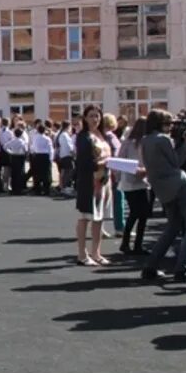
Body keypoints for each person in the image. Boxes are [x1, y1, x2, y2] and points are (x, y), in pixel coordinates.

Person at [139, 110, 186, 284]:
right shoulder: (163, 140)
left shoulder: (146, 140)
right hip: (180, 185)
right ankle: (182, 269)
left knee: (172, 227)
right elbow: (177, 161)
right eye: (168, 123)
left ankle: (150, 266)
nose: (170, 127)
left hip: (163, 189)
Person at [74, 105, 111, 266]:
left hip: (103, 181)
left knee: (99, 218)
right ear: (85, 118)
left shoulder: (102, 135)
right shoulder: (83, 137)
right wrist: (103, 163)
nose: (95, 119)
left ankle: (96, 252)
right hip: (89, 182)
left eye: (97, 116)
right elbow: (83, 162)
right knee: (85, 217)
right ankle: (82, 254)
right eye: (91, 116)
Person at [116, 118, 150, 256]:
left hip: (131, 182)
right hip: (139, 181)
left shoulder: (128, 142)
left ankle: (129, 243)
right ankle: (134, 244)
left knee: (137, 214)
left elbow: (119, 159)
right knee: (140, 214)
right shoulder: (141, 142)